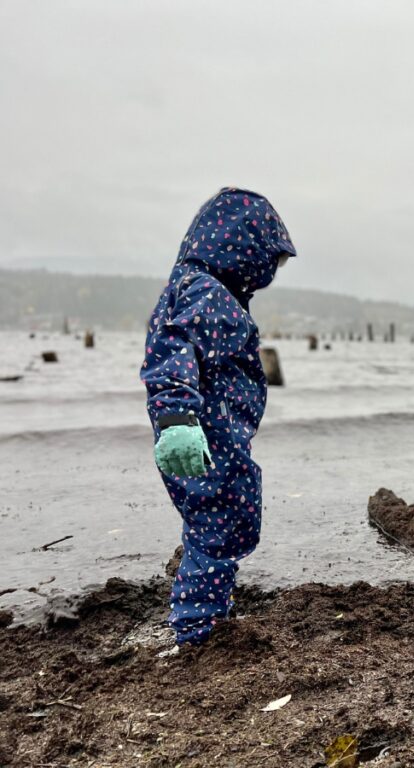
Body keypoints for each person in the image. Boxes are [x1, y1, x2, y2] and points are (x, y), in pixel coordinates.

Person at [140, 188, 295, 647]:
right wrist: (176, 420)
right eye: (269, 263)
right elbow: (170, 351)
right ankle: (196, 628)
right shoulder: (203, 293)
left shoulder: (214, 293)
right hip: (201, 435)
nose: (269, 276)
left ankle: (208, 609)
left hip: (220, 434)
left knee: (223, 518)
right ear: (242, 250)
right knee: (219, 522)